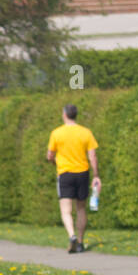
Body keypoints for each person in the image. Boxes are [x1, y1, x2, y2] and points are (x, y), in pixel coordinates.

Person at [46, 104, 101, 254]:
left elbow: (50, 155)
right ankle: (81, 242)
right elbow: (93, 156)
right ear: (76, 115)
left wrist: (54, 162)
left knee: (66, 210)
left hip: (65, 173)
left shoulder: (57, 133)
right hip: (82, 172)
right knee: (81, 208)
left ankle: (72, 236)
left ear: (64, 115)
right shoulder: (86, 133)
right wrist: (96, 175)